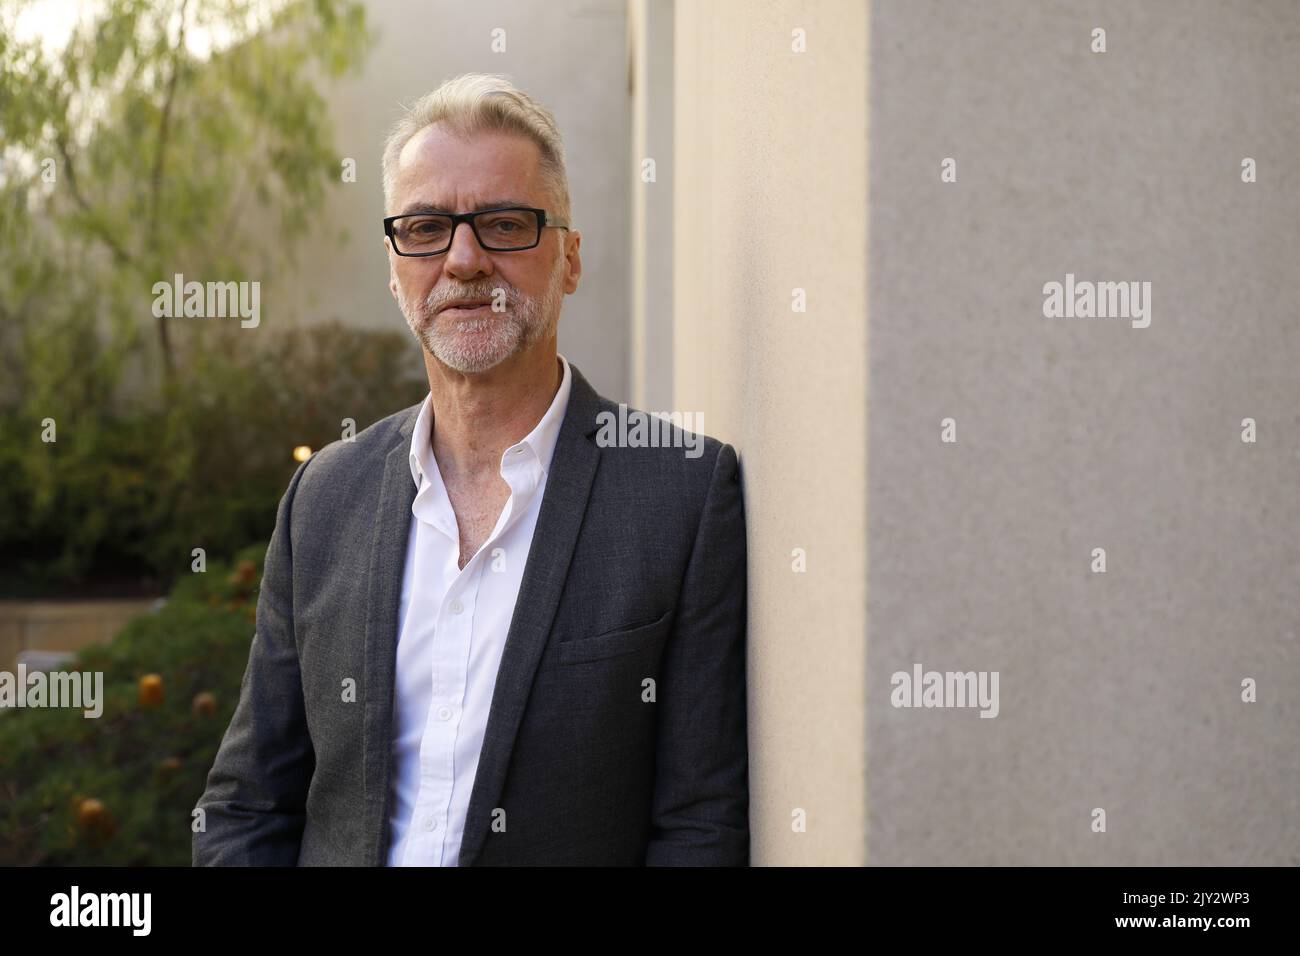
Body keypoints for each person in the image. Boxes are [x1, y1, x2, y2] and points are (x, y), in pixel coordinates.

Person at [193, 72, 749, 866]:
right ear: (395, 267)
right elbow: (246, 804)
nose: (463, 259)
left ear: (570, 258)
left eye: (504, 223)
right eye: (424, 227)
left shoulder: (682, 497)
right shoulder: (324, 499)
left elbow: (699, 829)